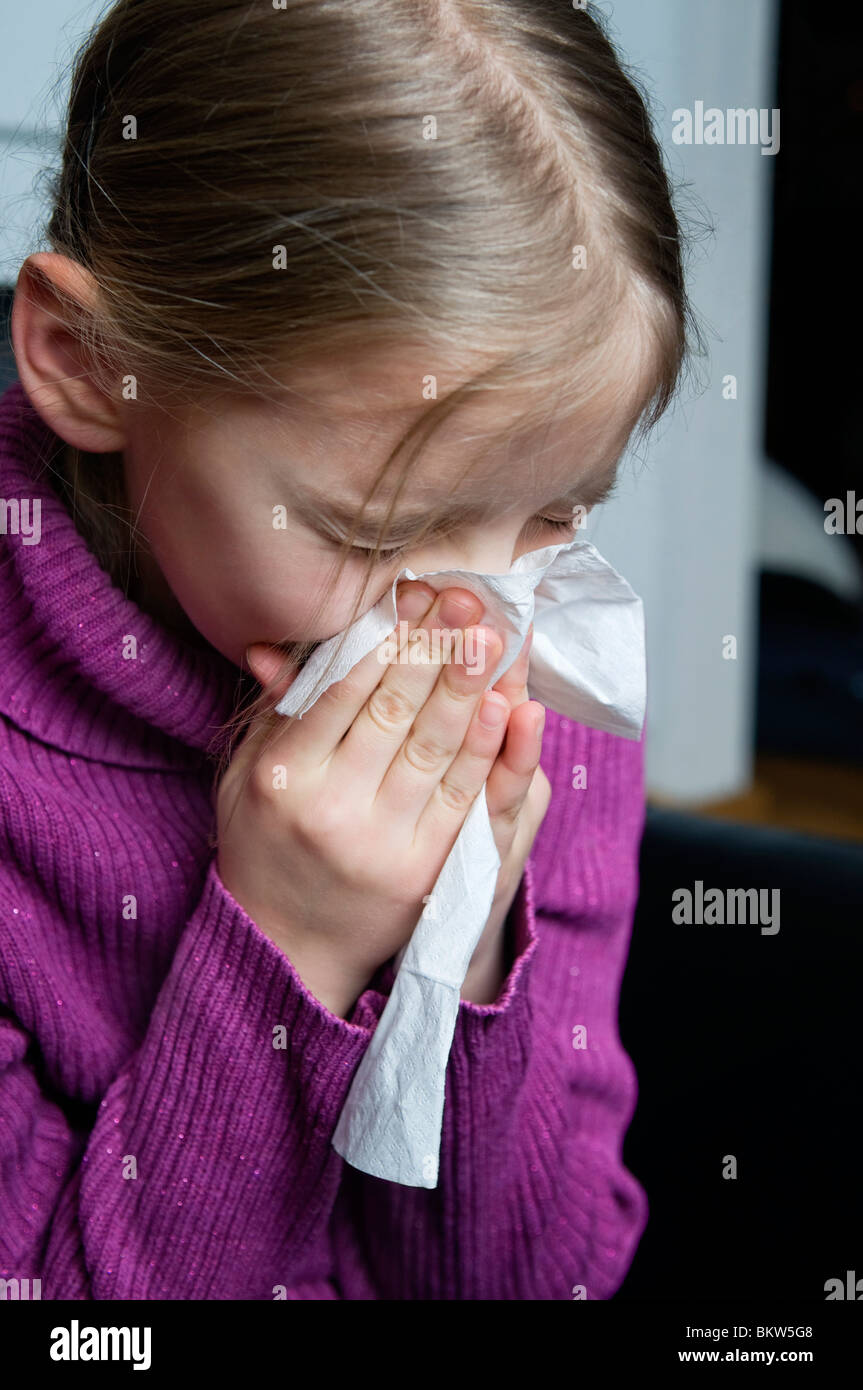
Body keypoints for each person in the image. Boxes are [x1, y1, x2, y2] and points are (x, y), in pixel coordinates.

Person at [0, 0, 698, 1299]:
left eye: (556, 511)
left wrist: (476, 947)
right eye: (377, 532)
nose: (467, 622)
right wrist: (289, 944)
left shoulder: (545, 670)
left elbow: (541, 1287)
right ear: (95, 367)